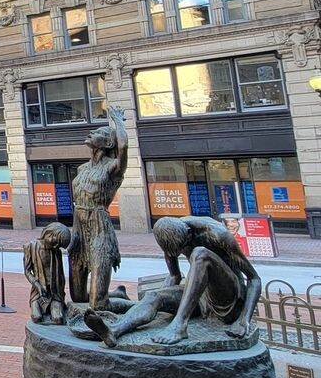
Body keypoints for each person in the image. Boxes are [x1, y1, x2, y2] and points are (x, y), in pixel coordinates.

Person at [84, 215, 261, 348]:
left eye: (183, 247)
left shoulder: (218, 235)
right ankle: (114, 330)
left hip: (227, 299)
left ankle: (179, 325)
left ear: (189, 233)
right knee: (154, 295)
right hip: (199, 297)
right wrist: (159, 302)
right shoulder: (169, 239)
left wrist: (243, 320)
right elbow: (174, 276)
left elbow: (254, 279)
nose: (180, 251)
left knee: (200, 254)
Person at [69, 106, 128, 312]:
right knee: (77, 296)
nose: (91, 134)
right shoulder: (82, 169)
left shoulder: (113, 168)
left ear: (108, 142)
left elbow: (124, 148)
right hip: (78, 227)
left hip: (99, 228)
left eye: (97, 133)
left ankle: (130, 306)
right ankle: (116, 293)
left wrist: (118, 121)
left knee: (97, 304)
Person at [23, 222, 71, 324]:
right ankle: (38, 306)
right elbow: (27, 271)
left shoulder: (56, 252)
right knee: (36, 317)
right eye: (55, 242)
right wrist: (38, 286)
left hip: (54, 293)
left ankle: (56, 310)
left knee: (58, 319)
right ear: (48, 233)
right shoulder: (30, 247)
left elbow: (60, 275)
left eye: (59, 245)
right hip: (38, 292)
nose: (56, 246)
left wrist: (60, 295)